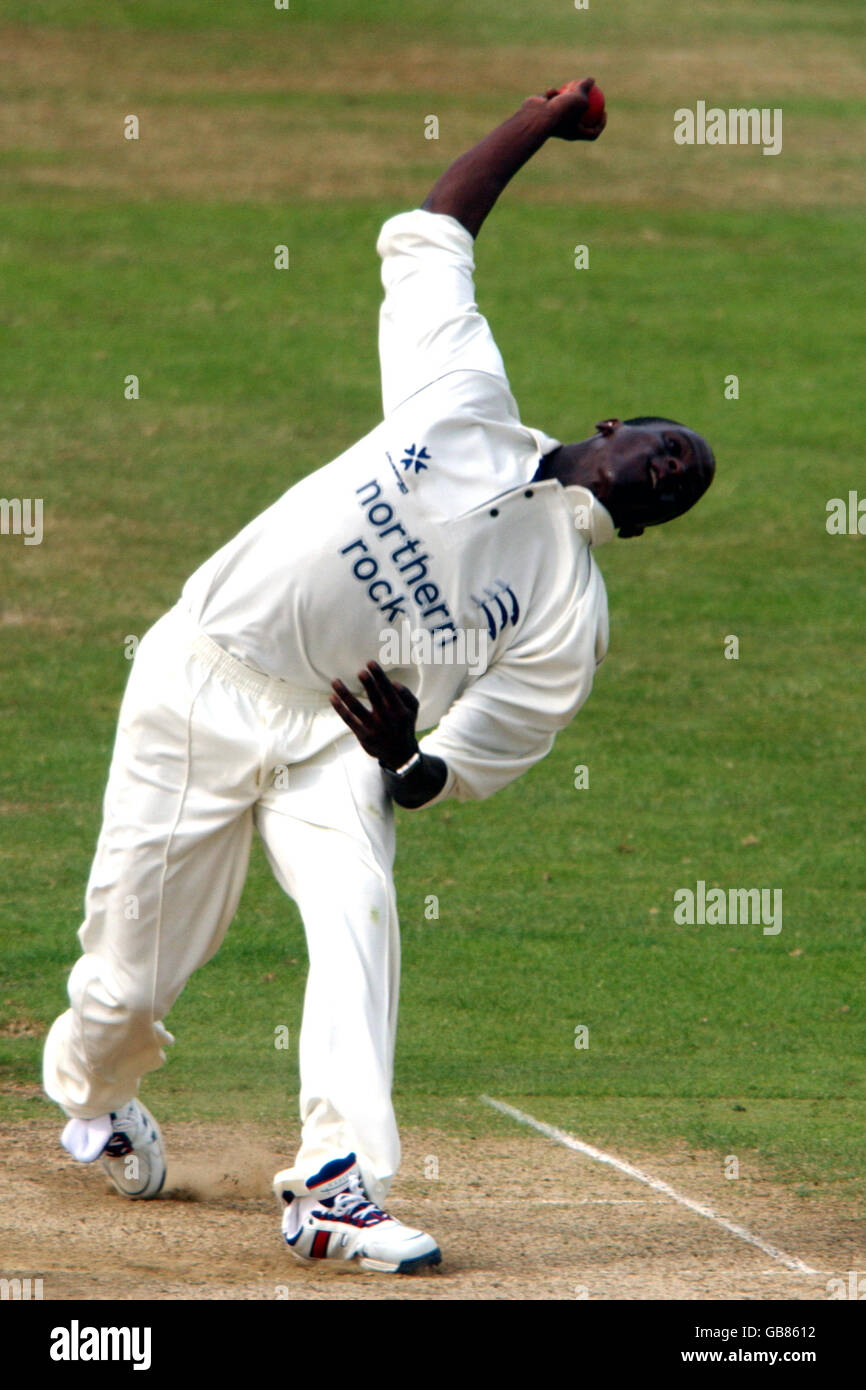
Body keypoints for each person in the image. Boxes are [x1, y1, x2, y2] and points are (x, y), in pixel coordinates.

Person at [42, 78, 714, 1275]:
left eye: (680, 482)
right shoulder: (463, 397)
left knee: (358, 919)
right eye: (664, 444)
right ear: (609, 427)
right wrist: (538, 119)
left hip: (339, 744)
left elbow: (457, 766)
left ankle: (337, 1184)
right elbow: (434, 232)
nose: (667, 468)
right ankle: (95, 1097)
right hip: (200, 677)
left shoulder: (566, 611)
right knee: (127, 985)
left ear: (650, 521)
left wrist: (405, 754)